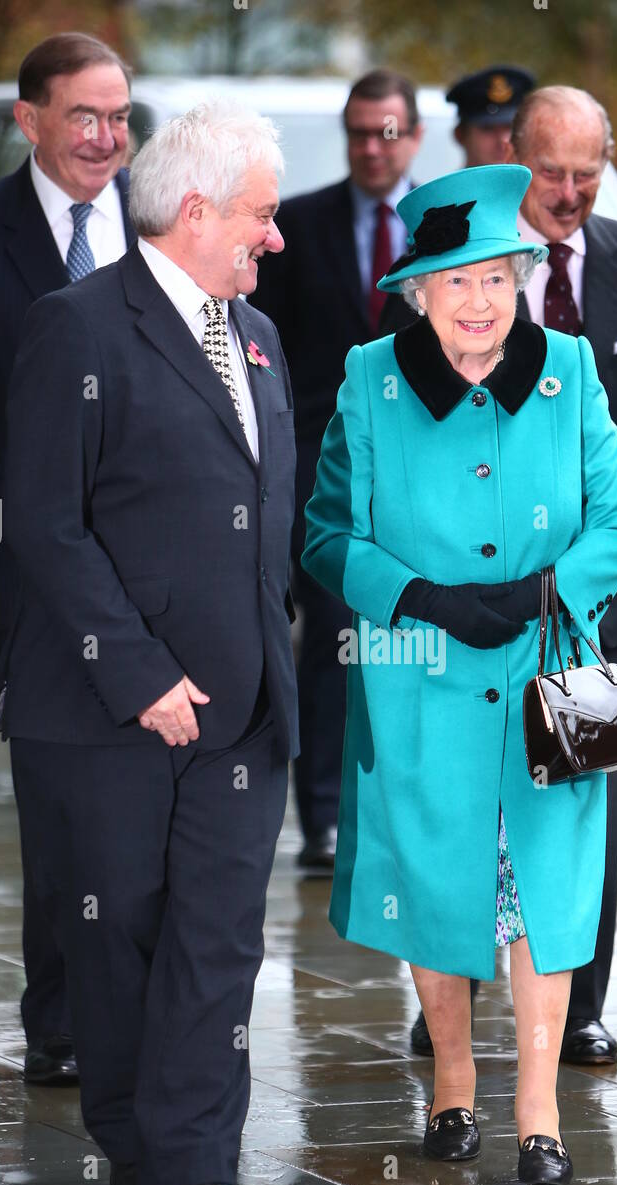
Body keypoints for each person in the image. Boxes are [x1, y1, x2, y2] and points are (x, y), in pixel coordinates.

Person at [0, 101, 299, 1185]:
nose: (275, 238)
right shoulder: (77, 329)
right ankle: (139, 1142)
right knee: (118, 937)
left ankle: (189, 1164)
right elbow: (47, 525)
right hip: (109, 709)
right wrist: (141, 674)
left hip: (244, 708)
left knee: (218, 936)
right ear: (197, 209)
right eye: (261, 214)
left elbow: (268, 516)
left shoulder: (256, 337)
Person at [301, 163, 617, 1185]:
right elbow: (325, 537)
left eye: (496, 277)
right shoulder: (369, 382)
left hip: (548, 678)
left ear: (521, 278)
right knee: (440, 877)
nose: (479, 301)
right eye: (454, 282)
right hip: (421, 676)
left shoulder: (571, 369)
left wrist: (551, 588)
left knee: (542, 887)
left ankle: (537, 1111)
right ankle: (452, 1083)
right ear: (418, 292)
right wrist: (420, 597)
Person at [410, 85, 617, 1064]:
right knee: (460, 801)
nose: (568, 193)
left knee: (580, 800)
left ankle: (578, 1007)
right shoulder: (456, 258)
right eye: (550, 173)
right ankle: (446, 1002)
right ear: (512, 158)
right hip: (466, 594)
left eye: (586, 173)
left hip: (589, 589)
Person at [0, 32, 137, 1088]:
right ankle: (61, 1020)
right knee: (61, 796)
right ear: (29, 119)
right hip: (20, 568)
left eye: (119, 117)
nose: (104, 137)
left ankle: (141, 1004)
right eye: (82, 115)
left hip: (153, 559)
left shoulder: (162, 223)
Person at [254, 69, 421, 872]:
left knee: (417, 639)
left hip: (424, 476)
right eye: (358, 131)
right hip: (323, 472)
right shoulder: (300, 224)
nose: (371, 147)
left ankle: (404, 810)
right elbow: (266, 349)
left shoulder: (444, 225)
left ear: (414, 138)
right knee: (330, 636)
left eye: (386, 131)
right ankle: (322, 817)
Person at [446, 65, 536, 168]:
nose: (503, 140)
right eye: (488, 128)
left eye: (511, 127)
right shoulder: (443, 185)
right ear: (460, 135)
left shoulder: (548, 183)